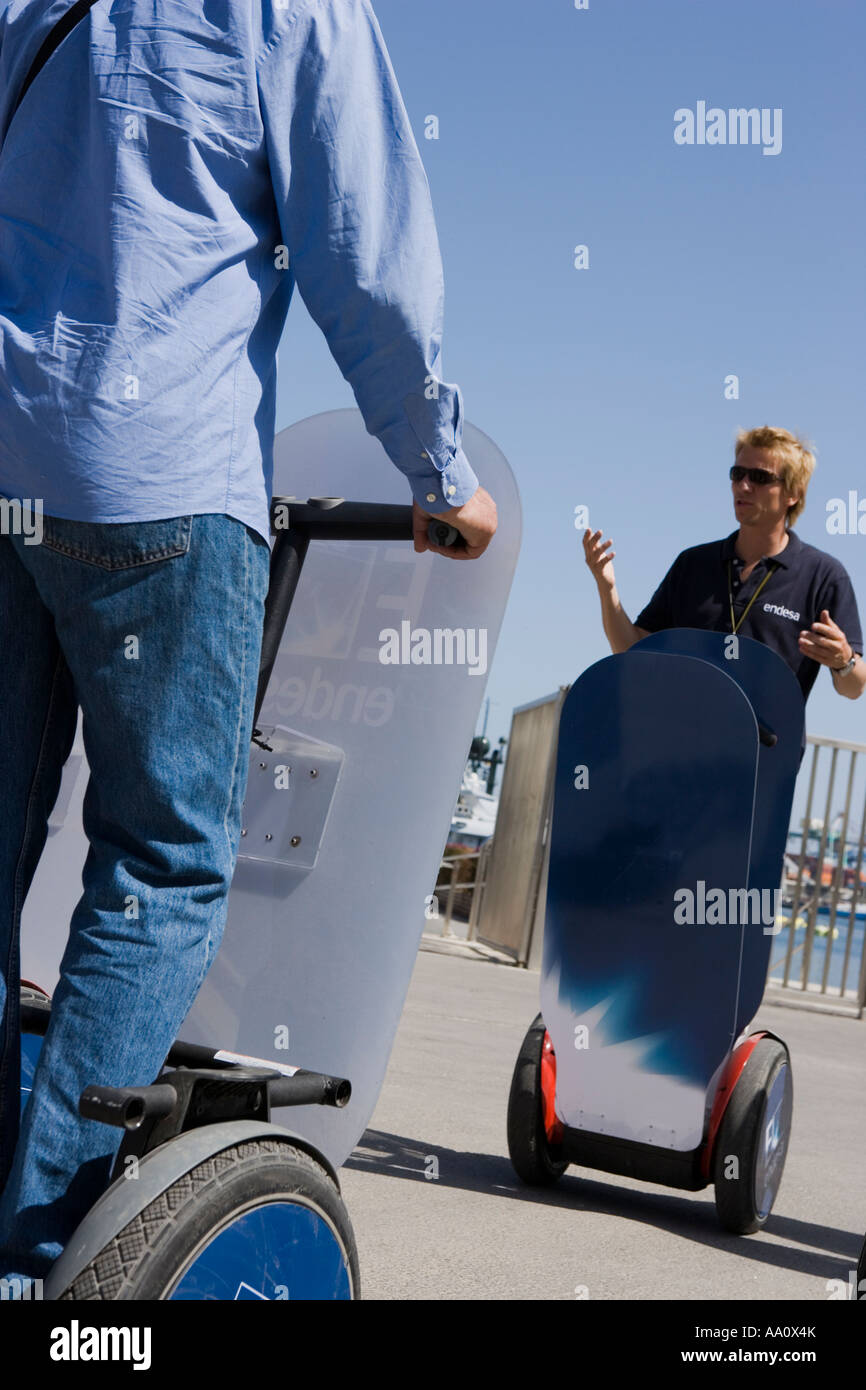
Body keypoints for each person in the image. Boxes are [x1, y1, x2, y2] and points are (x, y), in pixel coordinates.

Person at [0, 0, 496, 1287]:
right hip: (159, 479)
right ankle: (37, 1246)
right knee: (162, 862)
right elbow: (366, 260)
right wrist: (439, 472)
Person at [583, 426, 864, 710]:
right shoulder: (692, 564)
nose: (743, 486)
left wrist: (844, 661)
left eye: (759, 477)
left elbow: (854, 688)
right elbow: (632, 651)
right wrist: (608, 590)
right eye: (737, 474)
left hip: (763, 752)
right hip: (672, 745)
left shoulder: (824, 576)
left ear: (793, 493)